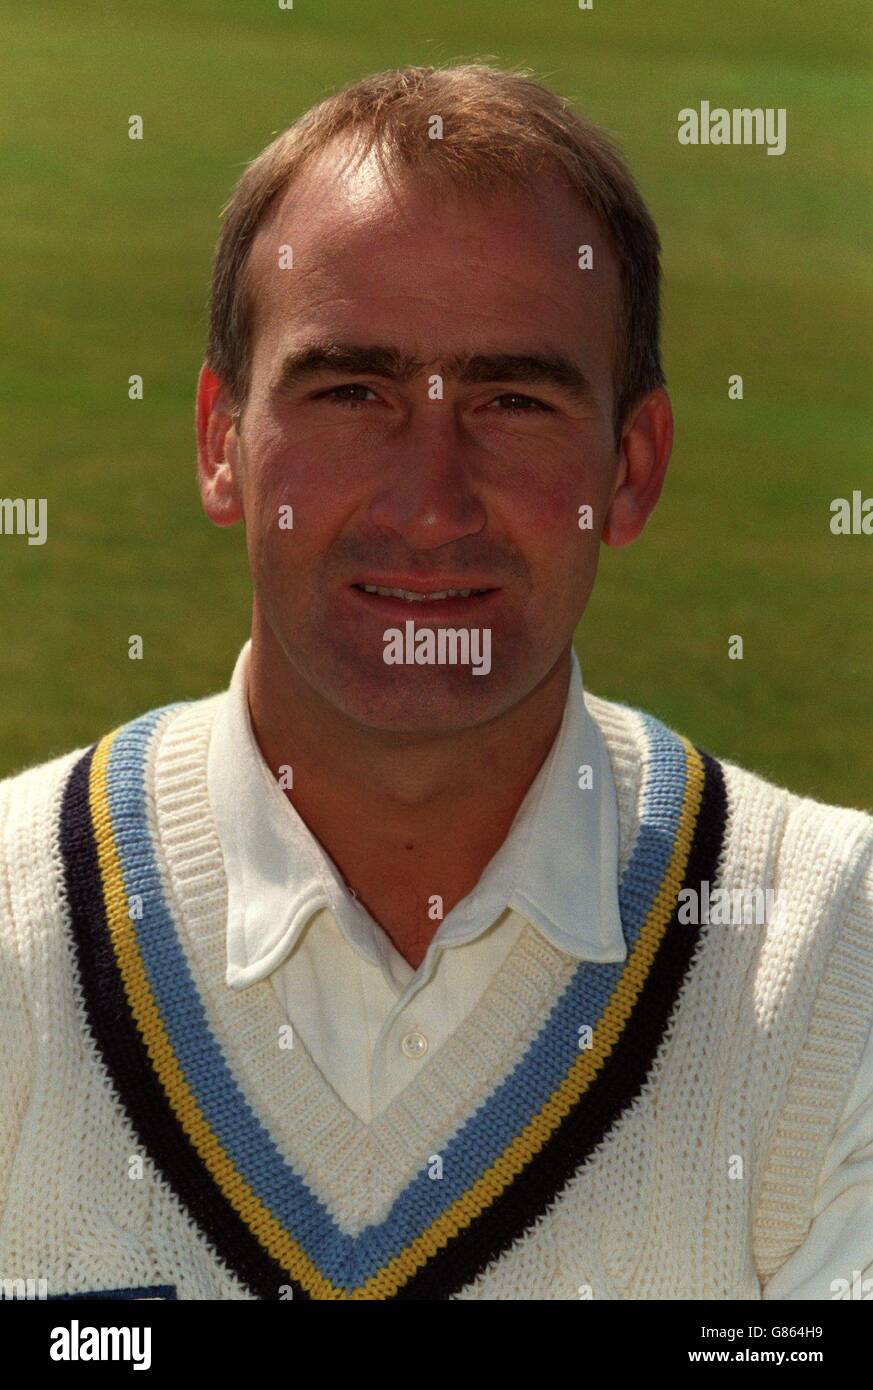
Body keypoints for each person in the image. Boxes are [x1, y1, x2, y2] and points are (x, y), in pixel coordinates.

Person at [1, 63, 871, 1302]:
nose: (428, 505)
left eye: (512, 400)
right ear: (220, 441)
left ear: (632, 465)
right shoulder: (18, 923)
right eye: (350, 391)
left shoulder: (843, 955)